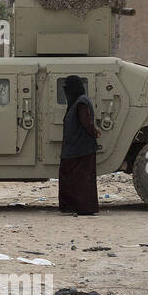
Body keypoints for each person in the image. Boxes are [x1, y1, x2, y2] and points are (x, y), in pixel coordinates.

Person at [59, 74, 100, 215]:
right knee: (72, 179)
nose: (66, 91)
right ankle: (73, 207)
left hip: (81, 149)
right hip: (74, 149)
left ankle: (84, 208)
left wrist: (94, 131)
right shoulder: (76, 101)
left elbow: (86, 121)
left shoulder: (81, 102)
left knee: (82, 180)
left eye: (67, 88)